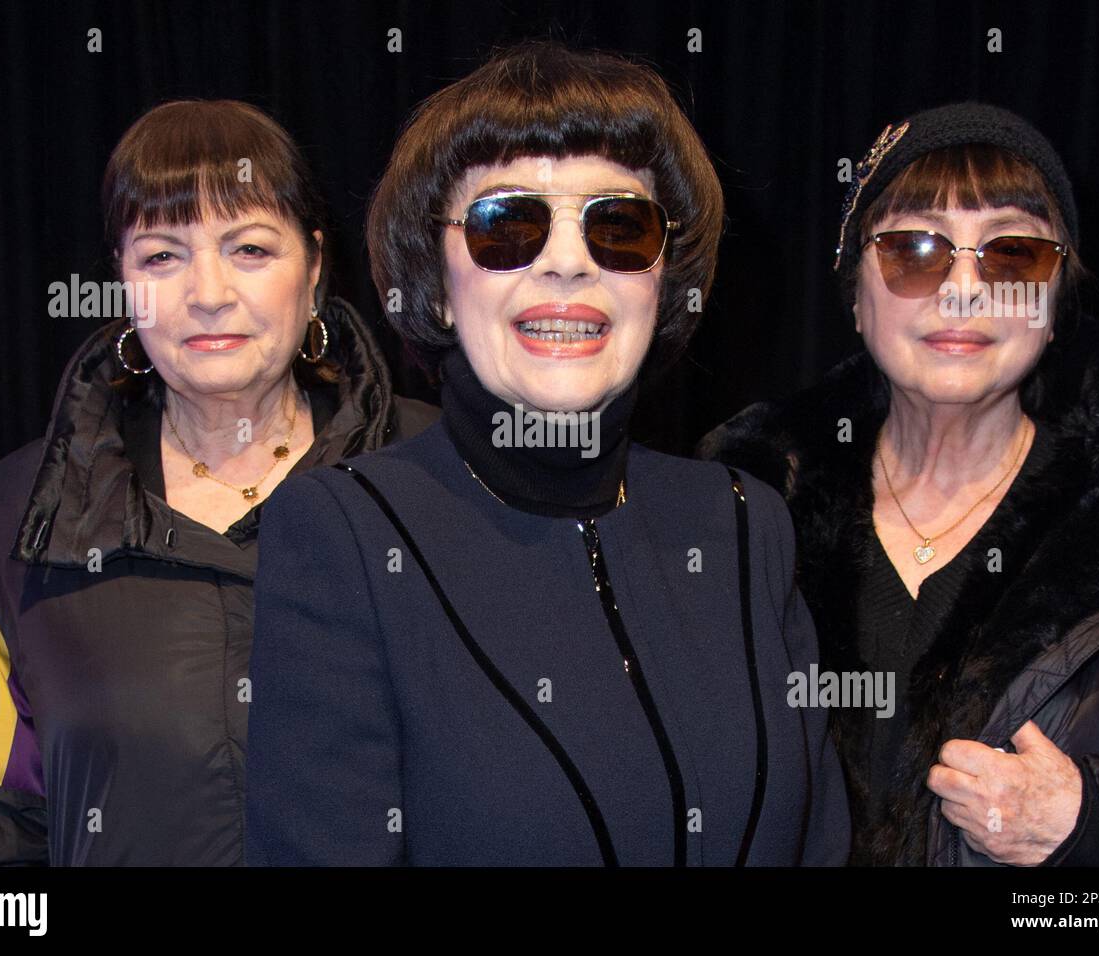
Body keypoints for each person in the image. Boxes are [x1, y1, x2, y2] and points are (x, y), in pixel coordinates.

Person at [244, 42, 850, 866]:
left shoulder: (745, 523)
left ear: (663, 279)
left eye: (619, 227)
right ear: (436, 283)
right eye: (508, 227)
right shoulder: (345, 534)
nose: (568, 262)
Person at [0, 99, 436, 865]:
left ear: (314, 268)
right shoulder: (20, 513)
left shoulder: (441, 478)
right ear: (121, 279)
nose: (208, 292)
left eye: (249, 249)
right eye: (161, 257)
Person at [700, 102, 1099, 866]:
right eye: (916, 249)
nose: (965, 290)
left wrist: (1096, 824)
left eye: (1014, 255)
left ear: (1055, 305)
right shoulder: (734, 510)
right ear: (857, 298)